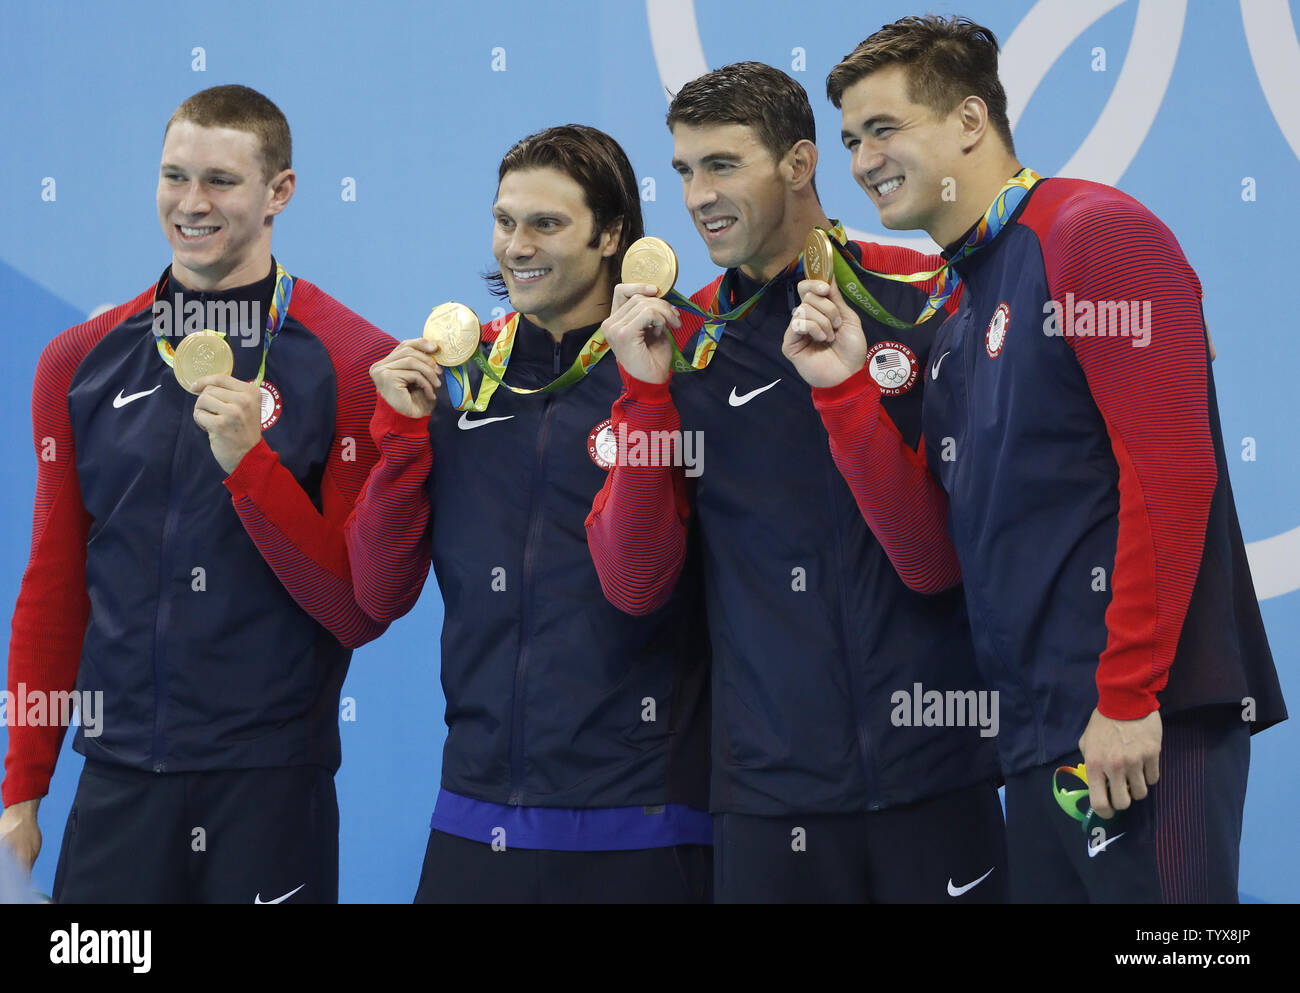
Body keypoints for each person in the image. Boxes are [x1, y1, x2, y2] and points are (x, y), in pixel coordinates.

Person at [787, 14, 1287, 902]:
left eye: (885, 128)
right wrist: (842, 392)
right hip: (1040, 740)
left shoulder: (1095, 233)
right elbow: (933, 558)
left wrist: (1130, 693)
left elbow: (1174, 477)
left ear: (971, 121)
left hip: (1139, 726)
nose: (861, 161)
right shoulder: (958, 306)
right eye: (852, 139)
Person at [587, 63, 1006, 903]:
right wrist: (644, 395)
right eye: (683, 171)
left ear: (800, 164)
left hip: (941, 771)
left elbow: (943, 552)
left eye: (722, 164)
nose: (698, 194)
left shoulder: (924, 299)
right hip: (768, 801)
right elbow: (634, 583)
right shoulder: (678, 344)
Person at [0, 84, 396, 903]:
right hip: (117, 786)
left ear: (279, 192)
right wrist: (20, 787)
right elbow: (53, 584)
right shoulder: (77, 361)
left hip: (269, 786)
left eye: (219, 179)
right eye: (173, 176)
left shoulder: (353, 365)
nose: (190, 203)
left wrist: (252, 465)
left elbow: (356, 607)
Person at [345, 124, 712, 903]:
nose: (517, 245)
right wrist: (403, 442)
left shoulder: (676, 368)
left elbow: (642, 585)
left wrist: (646, 397)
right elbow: (375, 593)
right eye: (505, 220)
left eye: (546, 223)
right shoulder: (463, 377)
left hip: (645, 820)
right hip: (473, 821)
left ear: (612, 234)